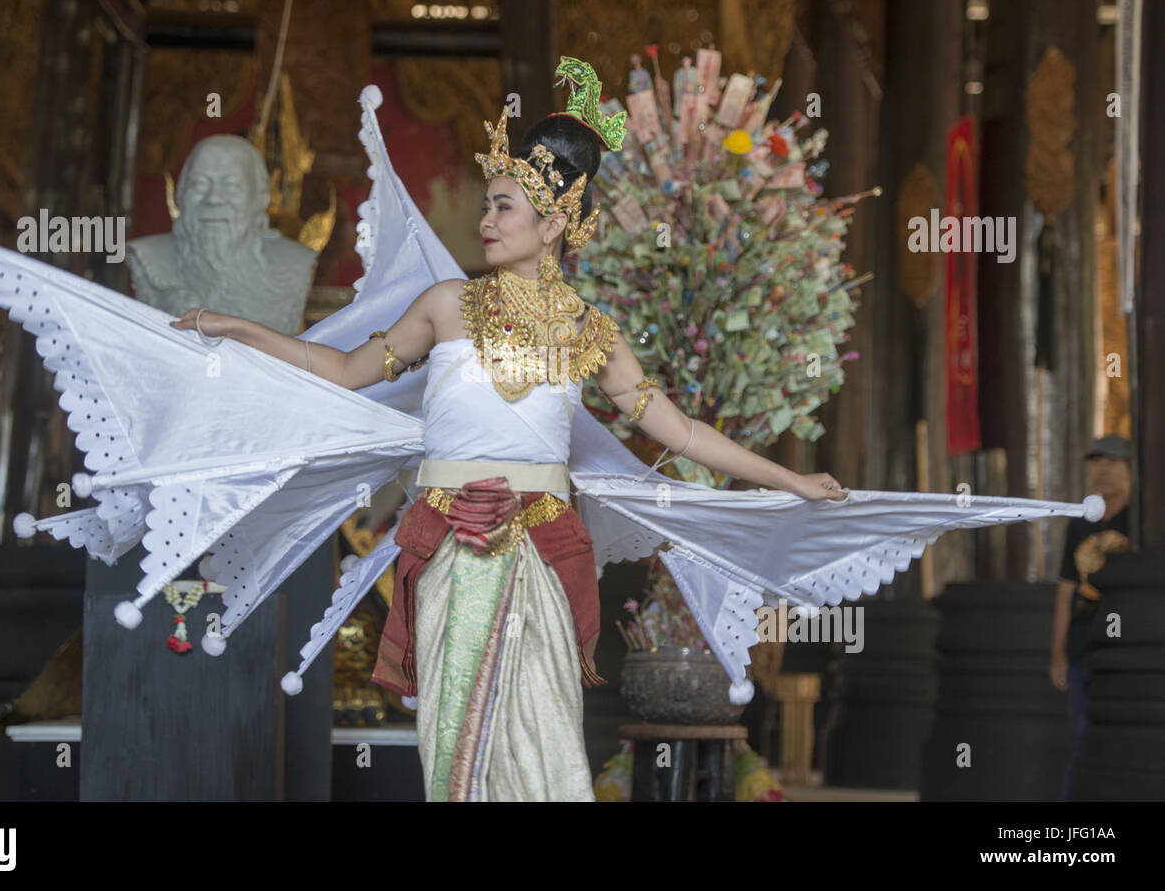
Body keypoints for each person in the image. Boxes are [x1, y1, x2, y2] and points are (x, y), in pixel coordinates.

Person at [174, 60, 842, 800]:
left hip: (542, 550)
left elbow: (680, 433)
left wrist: (791, 480)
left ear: (553, 223)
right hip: (449, 544)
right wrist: (240, 328)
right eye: (488, 206)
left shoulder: (591, 331)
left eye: (503, 207)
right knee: (454, 753)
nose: (485, 221)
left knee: (546, 746)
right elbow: (338, 372)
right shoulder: (447, 303)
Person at [1049, 434, 1132, 800]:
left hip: (1133, 646)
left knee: (1130, 732)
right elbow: (1066, 588)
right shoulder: (1081, 523)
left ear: (1131, 468)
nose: (1102, 471)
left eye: (1112, 463)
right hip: (1085, 642)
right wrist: (1058, 652)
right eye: (1096, 463)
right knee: (1081, 735)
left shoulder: (1144, 516)